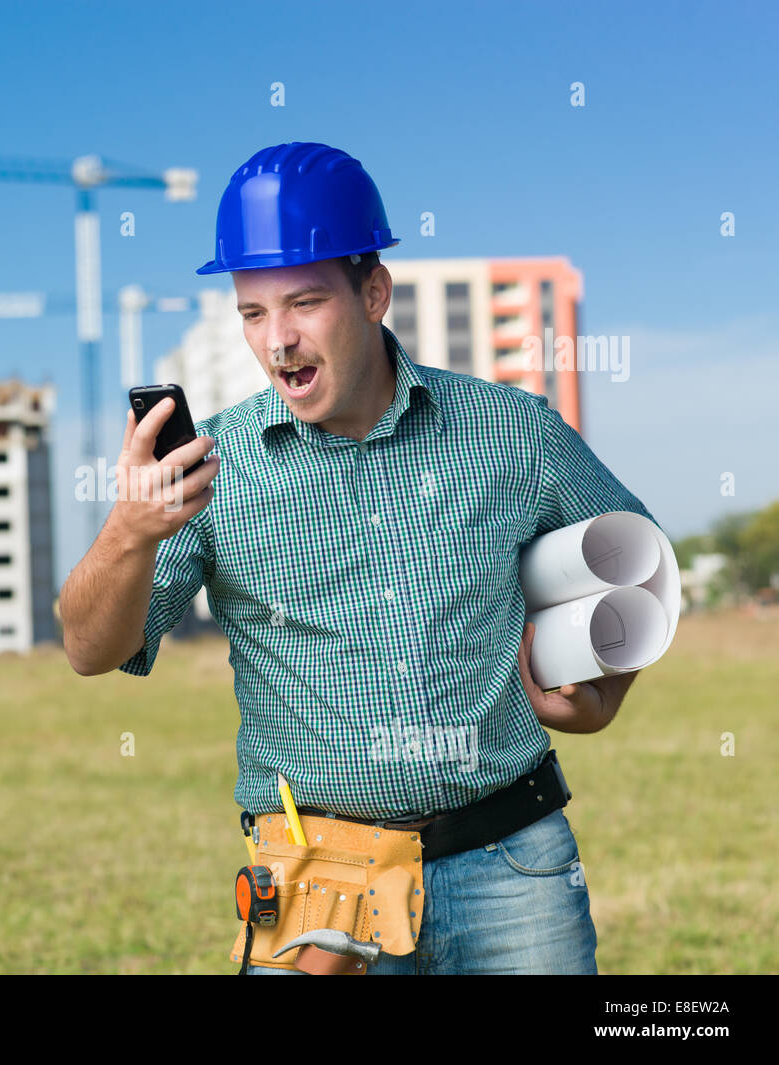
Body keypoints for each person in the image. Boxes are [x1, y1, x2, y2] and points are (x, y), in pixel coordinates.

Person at [59, 141, 659, 974]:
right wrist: (127, 531)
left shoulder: (512, 431)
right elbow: (92, 651)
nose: (278, 341)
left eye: (303, 303)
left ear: (373, 292)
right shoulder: (209, 469)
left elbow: (639, 565)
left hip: (514, 867)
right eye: (253, 312)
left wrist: (606, 691)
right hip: (315, 890)